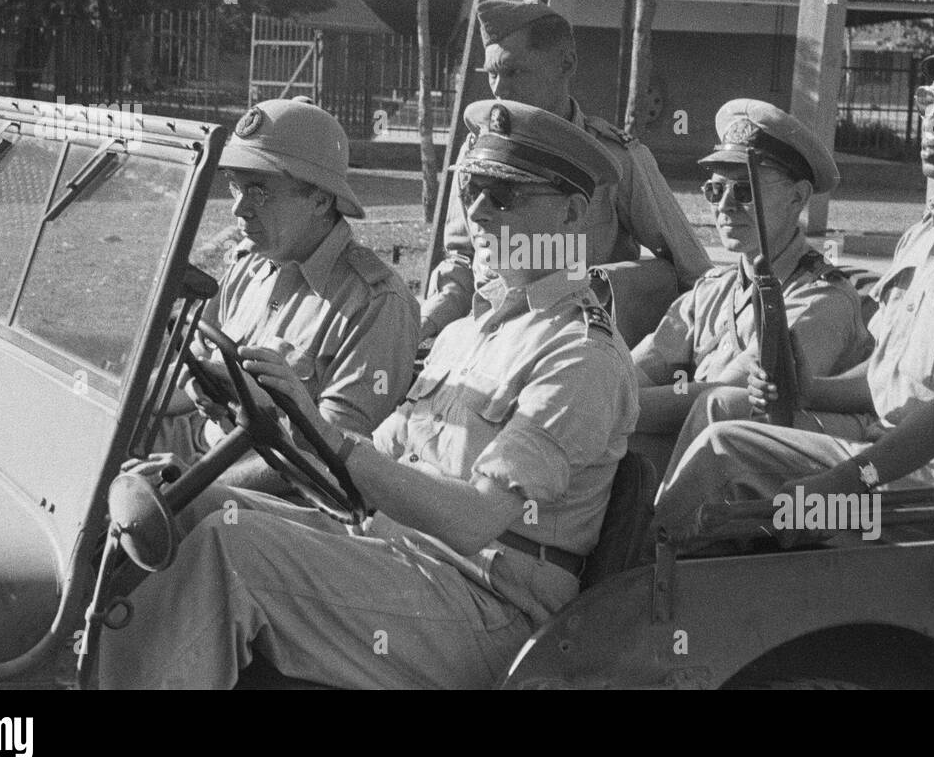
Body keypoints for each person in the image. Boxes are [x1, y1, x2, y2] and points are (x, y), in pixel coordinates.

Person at [96, 98, 639, 690]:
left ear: (571, 214)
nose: (477, 212)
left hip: (489, 605)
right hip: (397, 552)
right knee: (193, 505)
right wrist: (279, 419)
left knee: (232, 550)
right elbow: (362, 463)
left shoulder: (581, 355)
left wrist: (329, 439)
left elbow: (477, 519)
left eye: (504, 196)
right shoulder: (466, 332)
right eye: (472, 189)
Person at [651, 7, 934, 546]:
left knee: (729, 453)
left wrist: (845, 482)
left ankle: (646, 592)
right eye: (929, 102)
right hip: (906, 467)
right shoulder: (928, 236)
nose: (931, 119)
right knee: (728, 421)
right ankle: (671, 582)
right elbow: (893, 381)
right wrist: (810, 390)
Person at [156, 97, 419, 493]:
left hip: (270, 497)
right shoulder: (250, 264)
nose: (238, 209)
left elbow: (328, 461)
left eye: (259, 192)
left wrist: (192, 493)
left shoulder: (376, 305)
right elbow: (189, 372)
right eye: (235, 187)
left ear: (320, 200)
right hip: (204, 450)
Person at [421, 0, 711, 339]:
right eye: (492, 74)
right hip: (491, 335)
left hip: (577, 342)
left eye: (513, 71)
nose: (500, 89)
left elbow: (692, 270)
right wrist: (430, 318)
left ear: (567, 62)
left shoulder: (614, 157)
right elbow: (462, 259)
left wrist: (661, 356)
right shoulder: (476, 152)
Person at [629, 100, 873, 473]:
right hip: (705, 455)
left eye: (744, 190)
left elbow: (727, 396)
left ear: (798, 197)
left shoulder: (822, 297)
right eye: (714, 190)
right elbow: (640, 370)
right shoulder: (713, 289)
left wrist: (610, 408)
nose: (725, 206)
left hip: (780, 477)